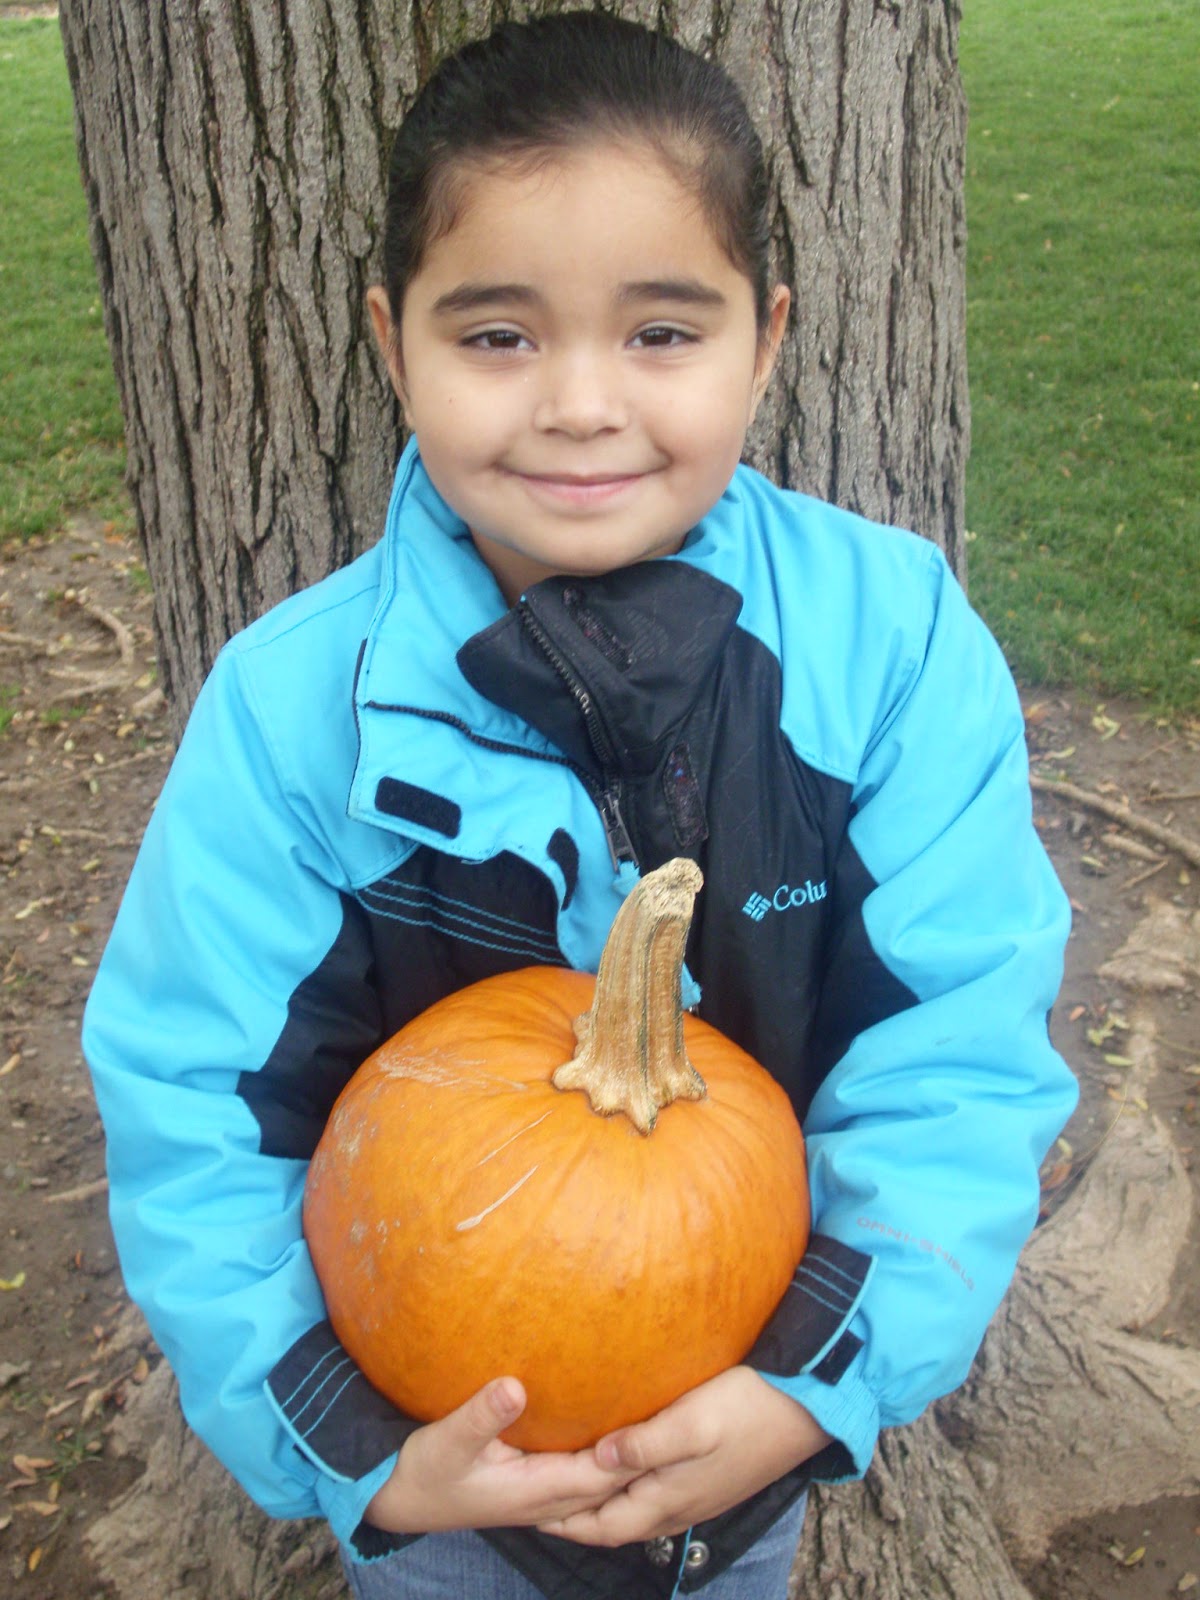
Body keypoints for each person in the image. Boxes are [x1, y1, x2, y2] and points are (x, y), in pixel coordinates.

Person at [82, 11, 1078, 1600]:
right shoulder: (295, 709)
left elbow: (959, 1049)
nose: (581, 406)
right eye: (496, 337)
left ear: (770, 332)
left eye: (662, 335)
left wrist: (820, 1376)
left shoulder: (886, 644)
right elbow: (194, 1100)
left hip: (749, 1439)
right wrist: (352, 1443)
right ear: (387, 338)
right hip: (436, 1487)